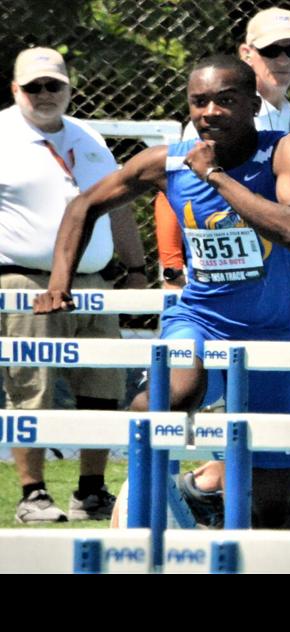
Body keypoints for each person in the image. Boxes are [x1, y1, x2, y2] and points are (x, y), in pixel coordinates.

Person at [34, 54, 290, 529]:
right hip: (200, 319)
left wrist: (214, 177)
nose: (210, 112)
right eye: (199, 101)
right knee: (174, 389)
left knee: (272, 509)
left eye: (225, 100)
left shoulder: (287, 149)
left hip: (272, 338)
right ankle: (141, 481)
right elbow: (85, 204)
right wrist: (59, 282)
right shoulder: (167, 162)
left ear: (253, 104)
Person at [156, 7, 290, 413]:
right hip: (223, 285)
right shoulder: (219, 115)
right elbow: (172, 195)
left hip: (276, 284)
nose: (284, 61)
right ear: (247, 54)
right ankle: (168, 476)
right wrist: (172, 270)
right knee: (209, 394)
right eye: (272, 51)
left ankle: (201, 479)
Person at [2, 47, 148, 524]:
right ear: (15, 90)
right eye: (33, 87)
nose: (45, 95)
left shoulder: (89, 138)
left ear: (69, 88)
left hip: (93, 283)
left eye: (54, 85)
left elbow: (119, 204)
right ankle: (33, 494)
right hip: (25, 282)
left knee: (103, 386)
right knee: (32, 387)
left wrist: (136, 268)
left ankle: (91, 492)